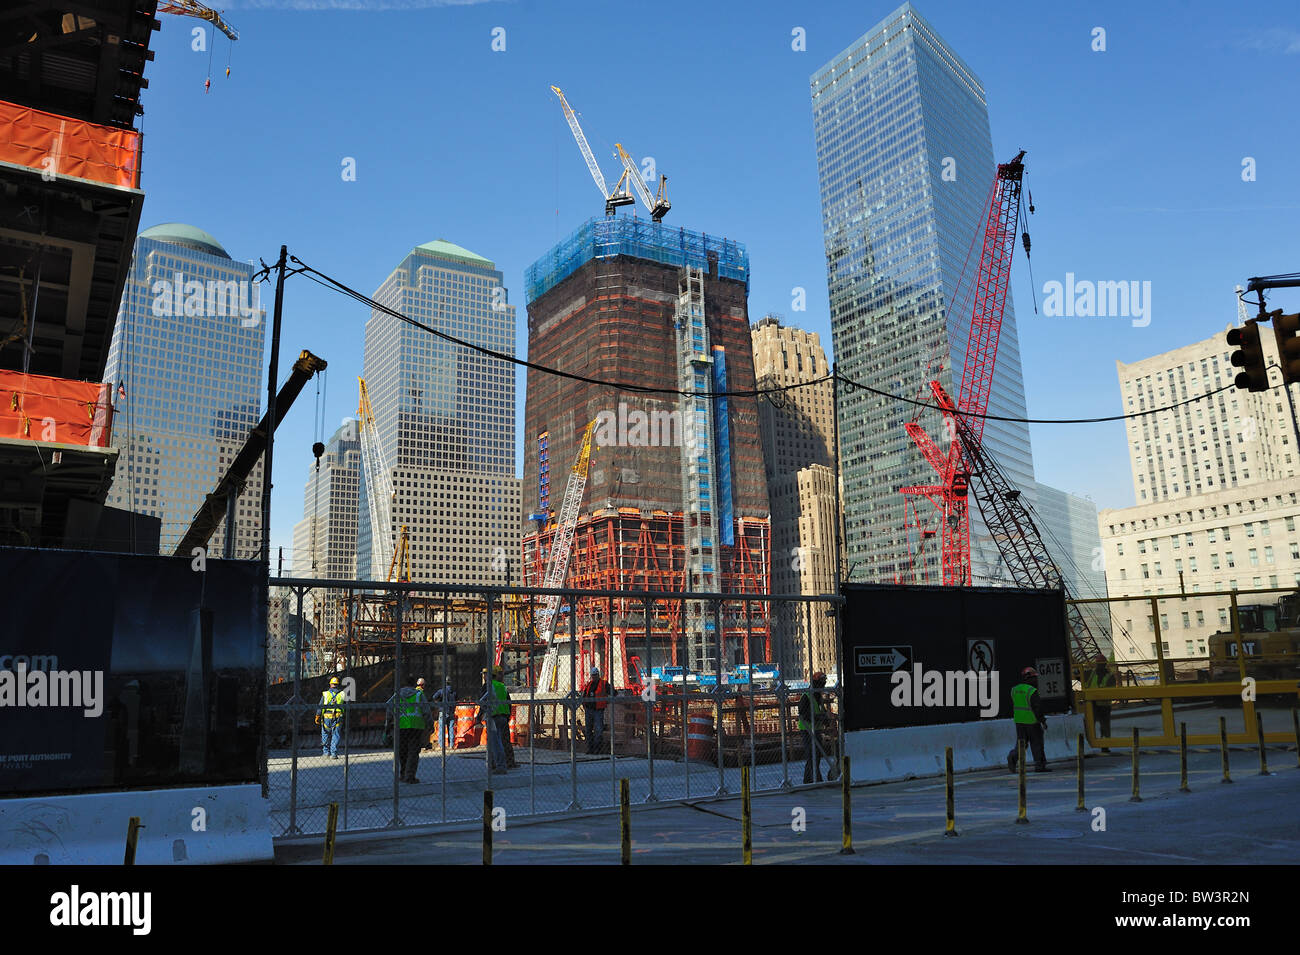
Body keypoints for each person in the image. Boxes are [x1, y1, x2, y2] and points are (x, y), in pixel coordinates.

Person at [386, 676, 432, 783]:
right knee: (413, 752)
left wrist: (389, 723)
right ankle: (410, 776)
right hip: (416, 727)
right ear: (414, 685)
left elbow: (389, 706)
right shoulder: (419, 695)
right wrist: (430, 725)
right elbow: (426, 711)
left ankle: (402, 774)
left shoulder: (398, 695)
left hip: (401, 726)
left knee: (402, 751)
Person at [797, 672, 838, 784]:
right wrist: (820, 717)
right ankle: (815, 779)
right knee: (812, 755)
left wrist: (825, 719)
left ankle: (809, 780)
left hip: (816, 730)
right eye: (821, 682)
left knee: (816, 755)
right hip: (807, 730)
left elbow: (821, 710)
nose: (823, 685)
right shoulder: (807, 696)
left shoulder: (817, 696)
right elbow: (804, 715)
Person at [1007, 666, 1049, 774]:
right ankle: (1040, 765)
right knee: (1037, 743)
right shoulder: (1032, 691)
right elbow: (1037, 708)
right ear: (1029, 678)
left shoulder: (1014, 690)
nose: (1036, 680)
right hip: (1032, 722)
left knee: (1021, 744)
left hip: (1019, 722)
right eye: (1034, 677)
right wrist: (1042, 721)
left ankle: (1012, 758)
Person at [475, 666, 515, 772]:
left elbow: (483, 701)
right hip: (504, 717)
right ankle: (505, 763)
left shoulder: (488, 686)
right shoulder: (502, 686)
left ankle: (499, 765)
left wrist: (479, 716)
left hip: (493, 717)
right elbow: (508, 702)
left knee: (495, 743)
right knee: (501, 741)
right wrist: (508, 715)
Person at [1085, 655, 1117, 753]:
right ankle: (1091, 744)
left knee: (1104, 726)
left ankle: (1105, 745)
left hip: (1103, 705)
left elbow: (1111, 691)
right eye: (1099, 664)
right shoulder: (1091, 674)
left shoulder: (1110, 676)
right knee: (1090, 726)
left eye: (1101, 664)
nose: (1099, 666)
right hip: (1093, 704)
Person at [580, 666, 614, 755]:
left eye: (595, 675)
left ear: (598, 675)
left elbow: (613, 692)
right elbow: (584, 696)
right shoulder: (589, 685)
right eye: (593, 675)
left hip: (598, 711)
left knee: (598, 731)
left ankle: (597, 749)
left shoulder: (604, 684)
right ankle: (591, 749)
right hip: (589, 710)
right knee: (588, 730)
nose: (594, 677)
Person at [316, 676, 346, 759]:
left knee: (325, 733)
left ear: (330, 685)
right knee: (335, 734)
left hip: (327, 716)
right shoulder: (342, 694)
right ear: (338, 685)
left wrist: (318, 715)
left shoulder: (326, 694)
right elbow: (345, 705)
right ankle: (334, 754)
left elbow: (321, 705)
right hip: (338, 716)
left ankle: (326, 753)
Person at [431, 679, 456, 748]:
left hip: (443, 711)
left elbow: (434, 697)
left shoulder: (441, 691)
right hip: (451, 712)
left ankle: (441, 745)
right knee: (451, 728)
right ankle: (451, 745)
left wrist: (439, 702)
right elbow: (456, 699)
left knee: (442, 729)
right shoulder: (453, 692)